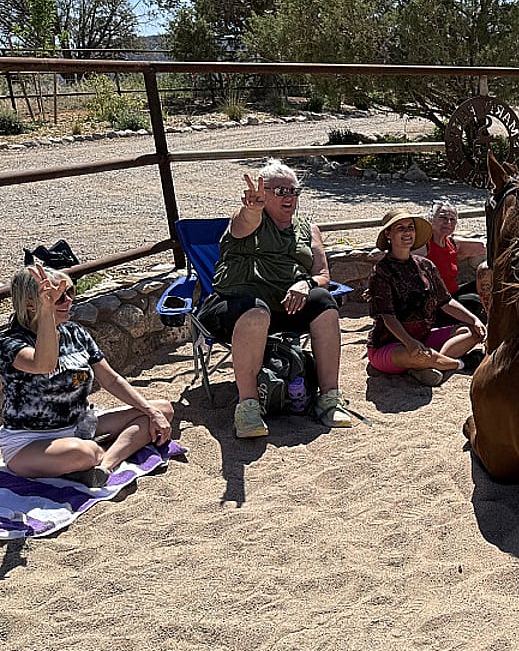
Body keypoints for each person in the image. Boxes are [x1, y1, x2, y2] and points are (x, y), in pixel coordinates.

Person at [197, 159, 352, 437]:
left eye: (294, 191)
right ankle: (248, 407)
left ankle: (329, 399)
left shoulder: (308, 228)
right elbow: (245, 223)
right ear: (263, 192)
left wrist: (306, 284)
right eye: (280, 191)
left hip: (286, 304)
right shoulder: (246, 218)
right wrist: (252, 208)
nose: (289, 197)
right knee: (257, 312)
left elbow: (323, 274)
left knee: (325, 304)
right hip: (233, 305)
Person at [0, 265, 175, 488]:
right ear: (31, 304)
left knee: (162, 410)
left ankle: (104, 468)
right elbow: (44, 365)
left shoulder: (75, 333)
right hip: (30, 440)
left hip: (81, 423)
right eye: (57, 297)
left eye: (69, 293)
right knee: (84, 452)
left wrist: (150, 412)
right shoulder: (10, 343)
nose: (68, 301)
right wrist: (46, 312)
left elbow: (111, 380)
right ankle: (98, 456)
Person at [366, 210, 487, 387]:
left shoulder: (426, 265)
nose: (407, 233)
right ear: (388, 234)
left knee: (471, 332)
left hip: (423, 337)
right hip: (390, 344)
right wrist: (410, 343)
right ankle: (460, 363)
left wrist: (474, 320)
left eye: (410, 228)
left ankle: (433, 365)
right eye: (401, 228)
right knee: (414, 355)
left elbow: (445, 301)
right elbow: (388, 317)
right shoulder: (381, 272)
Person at [417, 199, 488, 323]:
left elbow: (483, 246)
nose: (448, 222)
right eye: (443, 218)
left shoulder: (452, 243)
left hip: (453, 294)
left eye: (452, 219)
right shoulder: (424, 245)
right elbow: (401, 255)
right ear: (430, 219)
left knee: (485, 286)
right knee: (475, 301)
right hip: (438, 303)